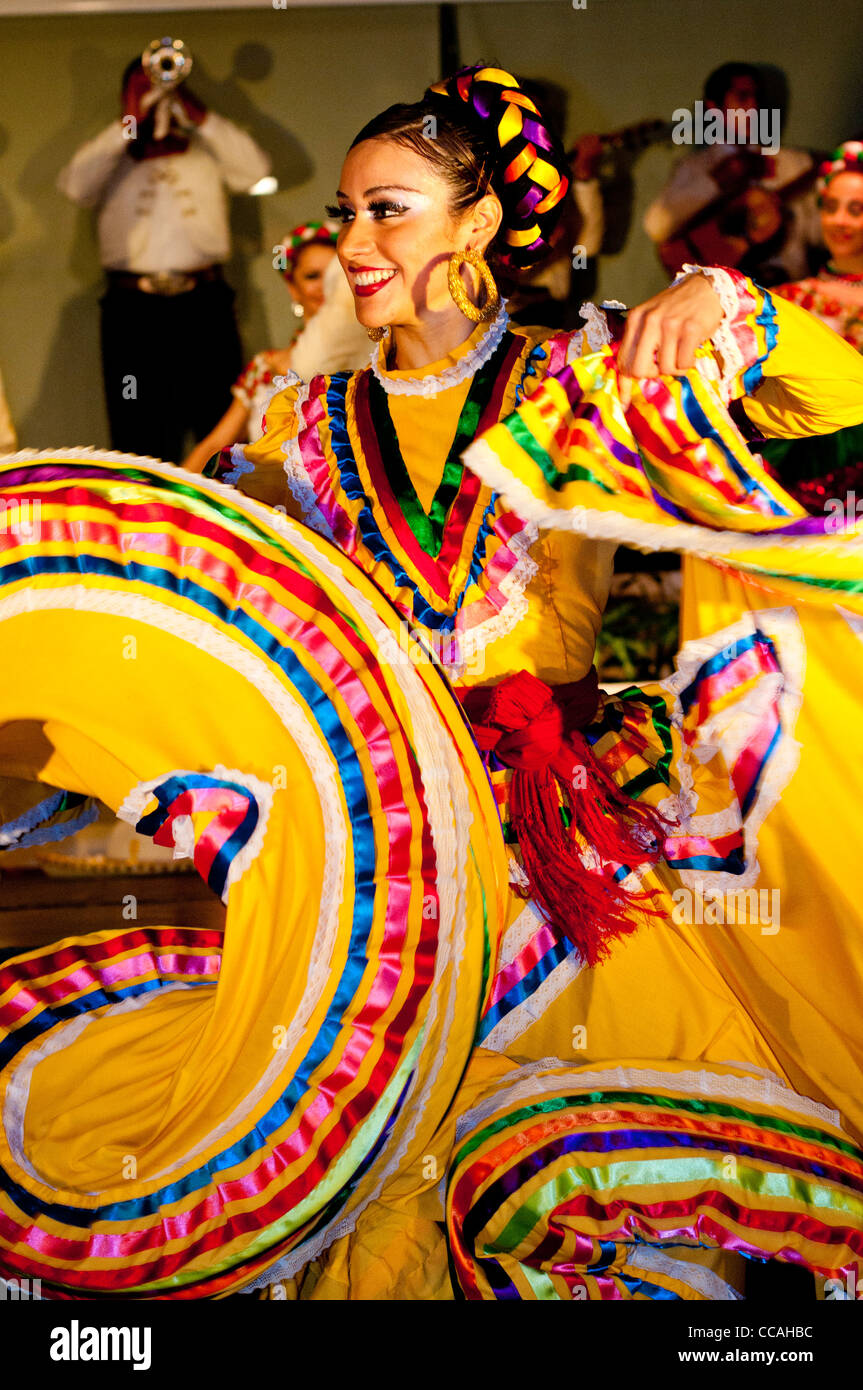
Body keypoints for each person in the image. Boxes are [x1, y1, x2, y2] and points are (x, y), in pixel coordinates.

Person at [2, 64, 862, 1303]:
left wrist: (727, 303)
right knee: (384, 1171)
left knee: (579, 1172)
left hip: (563, 848)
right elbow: (210, 634)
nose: (352, 241)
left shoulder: (588, 373)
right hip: (375, 862)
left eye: (386, 209)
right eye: (346, 214)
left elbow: (836, 400)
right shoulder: (303, 422)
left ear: (478, 222)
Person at [57, 45, 271, 463]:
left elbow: (256, 171)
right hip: (133, 312)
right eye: (144, 87)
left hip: (204, 306)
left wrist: (199, 116)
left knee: (220, 432)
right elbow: (75, 186)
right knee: (138, 434)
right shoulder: (111, 156)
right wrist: (129, 123)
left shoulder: (207, 150)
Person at [181, 220, 369, 471]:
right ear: (293, 288)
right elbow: (214, 445)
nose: (326, 285)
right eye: (312, 276)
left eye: (335, 274)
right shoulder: (265, 367)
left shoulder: (377, 358)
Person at [644, 61, 821, 285]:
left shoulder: (793, 163)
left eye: (758, 98)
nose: (754, 108)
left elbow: (820, 231)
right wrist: (718, 181)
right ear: (714, 108)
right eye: (743, 98)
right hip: (720, 296)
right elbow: (656, 226)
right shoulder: (696, 167)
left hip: (788, 291)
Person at [757, 141, 863, 508]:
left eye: (856, 209)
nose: (840, 221)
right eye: (830, 207)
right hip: (796, 476)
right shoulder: (788, 299)